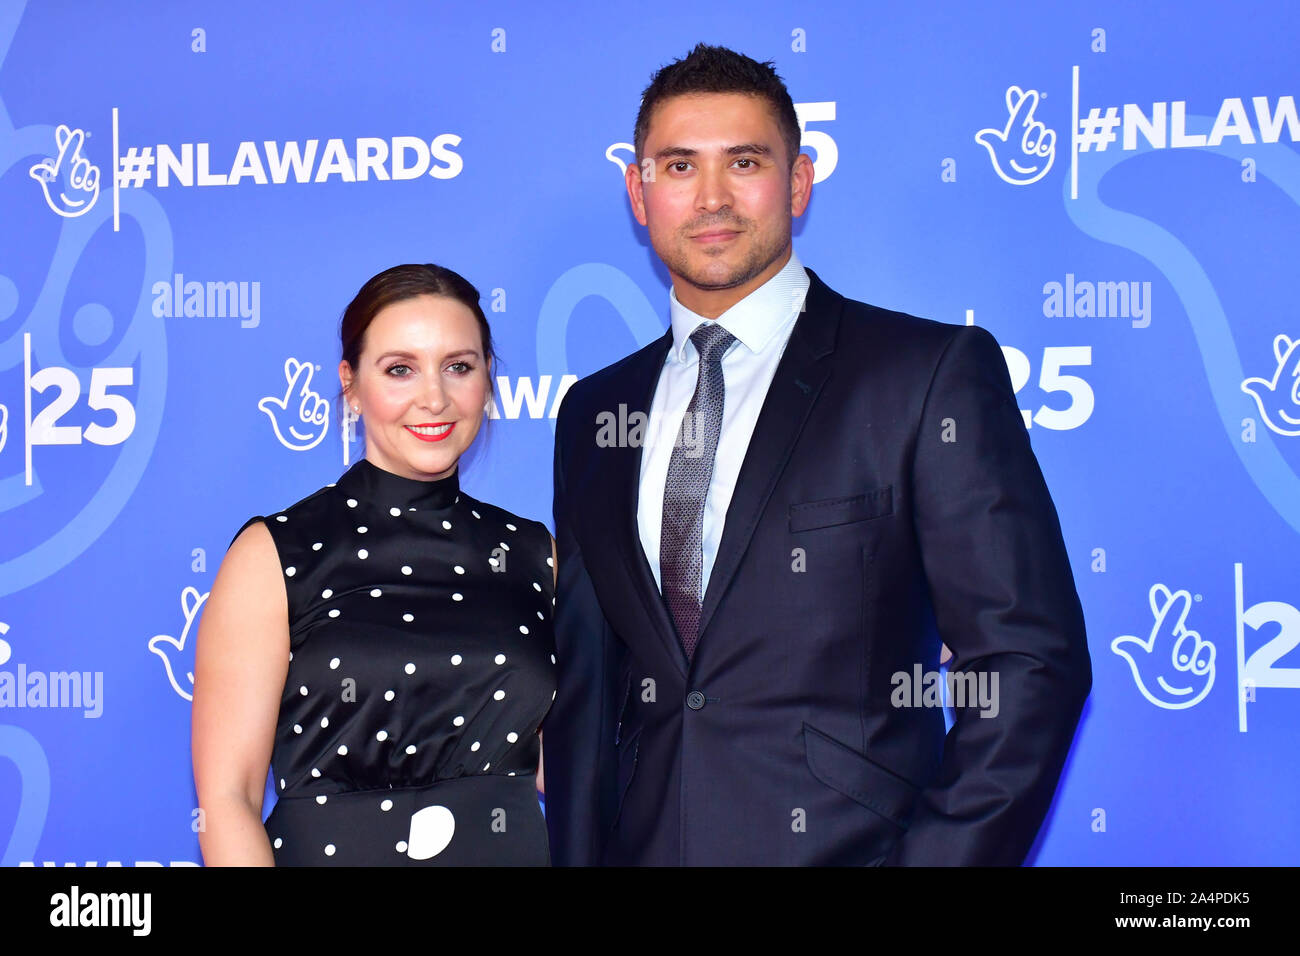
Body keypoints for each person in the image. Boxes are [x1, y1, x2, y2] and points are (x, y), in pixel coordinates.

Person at [545, 44, 1092, 866]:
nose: (713, 197)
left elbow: (1029, 660)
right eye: (680, 166)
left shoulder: (923, 375)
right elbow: (590, 695)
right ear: (639, 192)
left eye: (746, 161)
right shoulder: (596, 410)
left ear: (798, 182)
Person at [192, 264, 556, 866]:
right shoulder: (276, 554)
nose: (433, 397)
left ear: (487, 380)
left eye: (459, 367)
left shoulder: (531, 553)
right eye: (400, 369)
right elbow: (227, 799)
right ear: (351, 384)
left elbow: (565, 764)